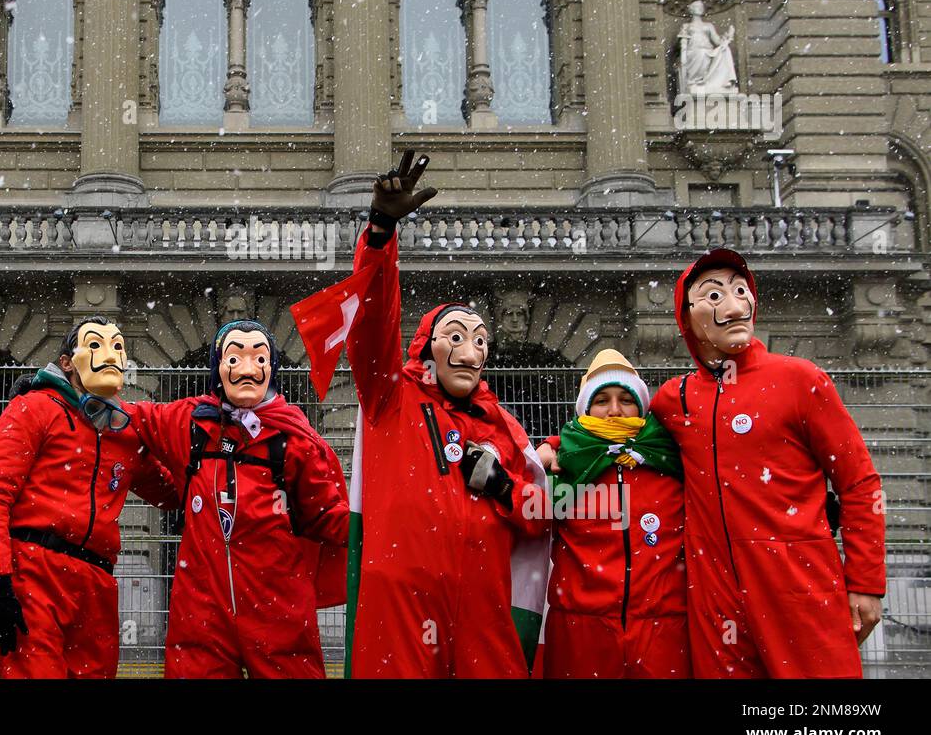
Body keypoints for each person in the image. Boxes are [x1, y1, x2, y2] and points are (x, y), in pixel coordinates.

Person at [344, 151, 550, 678]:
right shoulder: (391, 395)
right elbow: (370, 320)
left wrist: (505, 488)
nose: (471, 350)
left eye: (480, 341)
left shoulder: (504, 426)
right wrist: (381, 230)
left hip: (484, 603)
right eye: (456, 337)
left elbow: (544, 515)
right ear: (426, 347)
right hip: (402, 600)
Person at [651, 248, 886, 677]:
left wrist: (866, 582)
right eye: (714, 295)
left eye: (741, 290)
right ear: (687, 318)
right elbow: (612, 428)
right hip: (714, 595)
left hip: (799, 585)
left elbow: (860, 483)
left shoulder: (801, 380)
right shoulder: (674, 399)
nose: (736, 303)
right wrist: (555, 444)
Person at [125, 320, 349, 678]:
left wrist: (376, 525)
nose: (247, 369)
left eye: (260, 359)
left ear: (271, 369)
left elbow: (324, 515)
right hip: (201, 613)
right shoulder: (190, 422)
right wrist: (61, 390)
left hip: (278, 611)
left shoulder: (295, 439)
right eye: (235, 358)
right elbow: (124, 421)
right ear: (219, 367)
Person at [0, 316, 179, 678]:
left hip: (96, 581)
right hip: (36, 571)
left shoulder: (122, 430)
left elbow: (171, 493)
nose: (111, 355)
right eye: (96, 345)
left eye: (118, 347)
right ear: (67, 362)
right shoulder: (34, 408)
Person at [535, 349, 689, 678]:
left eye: (625, 399)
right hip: (580, 635)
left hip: (663, 632)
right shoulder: (565, 466)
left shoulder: (674, 463)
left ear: (642, 407)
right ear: (586, 408)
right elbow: (525, 522)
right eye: (602, 400)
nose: (614, 412)